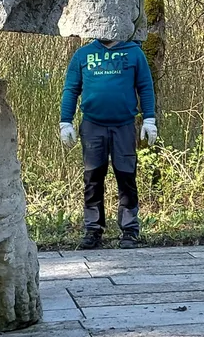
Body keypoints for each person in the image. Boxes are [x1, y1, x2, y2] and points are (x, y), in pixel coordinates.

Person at [60, 37, 158, 249]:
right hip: (93, 126)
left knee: (126, 176)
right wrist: (65, 122)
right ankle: (93, 229)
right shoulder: (83, 54)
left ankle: (130, 230)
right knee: (93, 177)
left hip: (123, 125)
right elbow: (71, 89)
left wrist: (149, 119)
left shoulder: (134, 53)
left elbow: (145, 87)